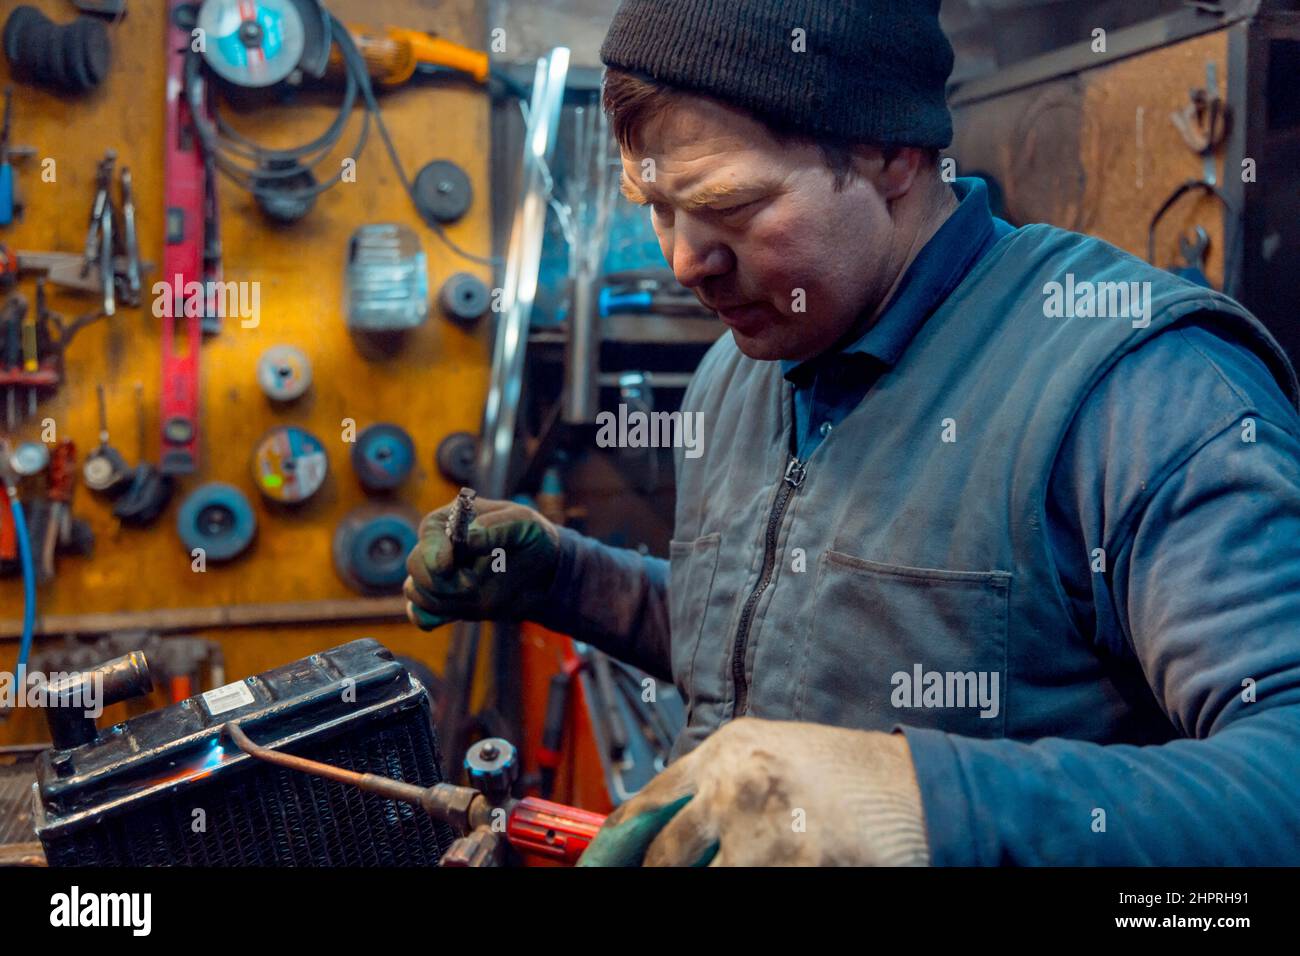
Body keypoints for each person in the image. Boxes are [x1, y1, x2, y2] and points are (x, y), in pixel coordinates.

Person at [406, 0, 1300, 866]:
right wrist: (569, 580)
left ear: (891, 152)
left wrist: (923, 804)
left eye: (731, 204)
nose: (684, 260)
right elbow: (764, 633)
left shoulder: (1142, 387)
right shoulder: (737, 372)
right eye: (656, 203)